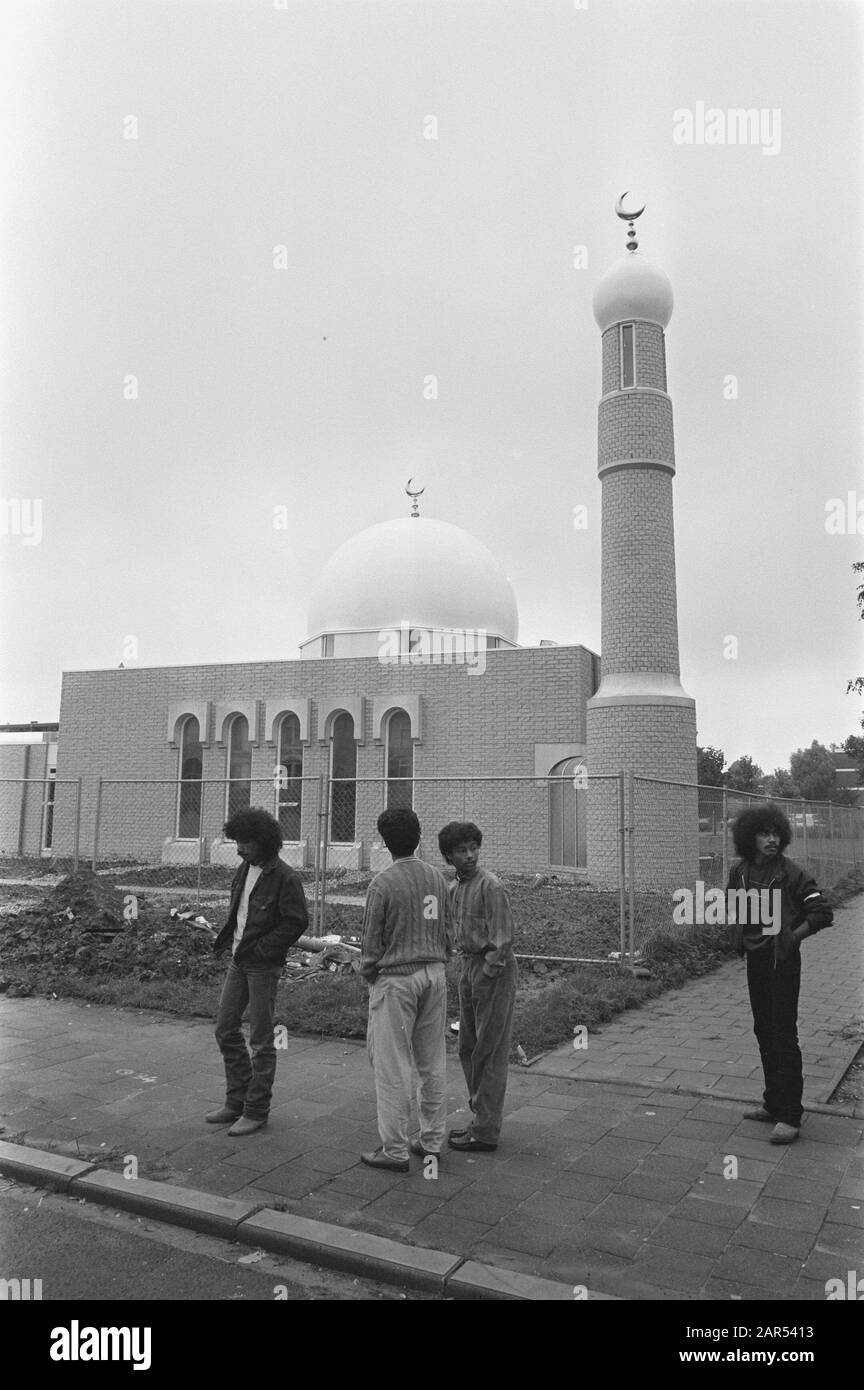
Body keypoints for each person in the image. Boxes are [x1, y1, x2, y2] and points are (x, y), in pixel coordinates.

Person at [727, 804, 833, 1145]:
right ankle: (773, 1103)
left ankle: (790, 1114)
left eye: (776, 833)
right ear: (749, 837)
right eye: (763, 833)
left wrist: (791, 938)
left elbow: (822, 912)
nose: (771, 840)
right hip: (757, 961)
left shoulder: (792, 872)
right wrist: (738, 933)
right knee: (764, 1029)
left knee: (783, 1033)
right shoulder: (740, 871)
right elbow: (735, 905)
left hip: (783, 963)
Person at [359, 808, 452, 1171]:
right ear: (419, 835)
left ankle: (394, 1150)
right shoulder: (437, 879)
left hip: (397, 980)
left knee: (392, 1065)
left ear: (385, 842)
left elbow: (371, 943)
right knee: (432, 1061)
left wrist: (370, 974)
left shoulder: (382, 884)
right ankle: (431, 1141)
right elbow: (448, 930)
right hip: (435, 973)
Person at [208, 808, 308, 1135]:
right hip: (239, 960)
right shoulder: (244, 869)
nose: (238, 848)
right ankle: (236, 1100)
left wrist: (266, 950)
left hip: (262, 965)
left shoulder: (285, 877)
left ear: (263, 842)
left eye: (244, 842)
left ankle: (256, 1110)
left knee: (262, 1040)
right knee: (225, 1028)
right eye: (237, 841)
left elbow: (296, 922)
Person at [438, 821, 517, 1152]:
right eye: (461, 850)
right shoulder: (456, 887)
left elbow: (502, 938)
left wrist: (489, 969)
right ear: (449, 856)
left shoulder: (491, 886)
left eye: (473, 848)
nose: (469, 855)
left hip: (492, 970)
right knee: (467, 1047)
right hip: (468, 967)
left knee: (490, 1049)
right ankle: (479, 1116)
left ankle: (486, 1130)